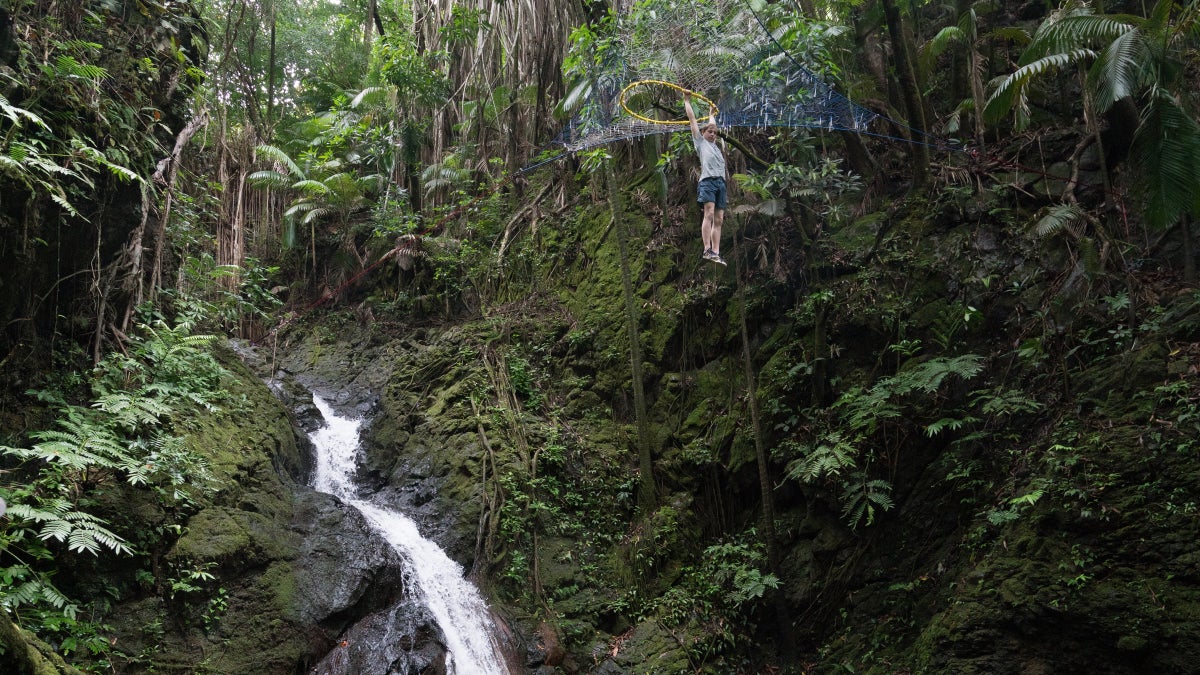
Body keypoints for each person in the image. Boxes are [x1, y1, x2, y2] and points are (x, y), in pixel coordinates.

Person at [683, 93, 727, 266]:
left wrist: (711, 113)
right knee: (708, 213)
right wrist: (687, 100)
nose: (713, 134)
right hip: (708, 181)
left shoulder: (714, 146)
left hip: (721, 183)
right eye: (709, 132)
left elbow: (712, 124)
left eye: (714, 133)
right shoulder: (700, 143)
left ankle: (715, 252)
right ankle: (707, 249)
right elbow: (692, 120)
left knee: (719, 218)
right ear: (702, 133)